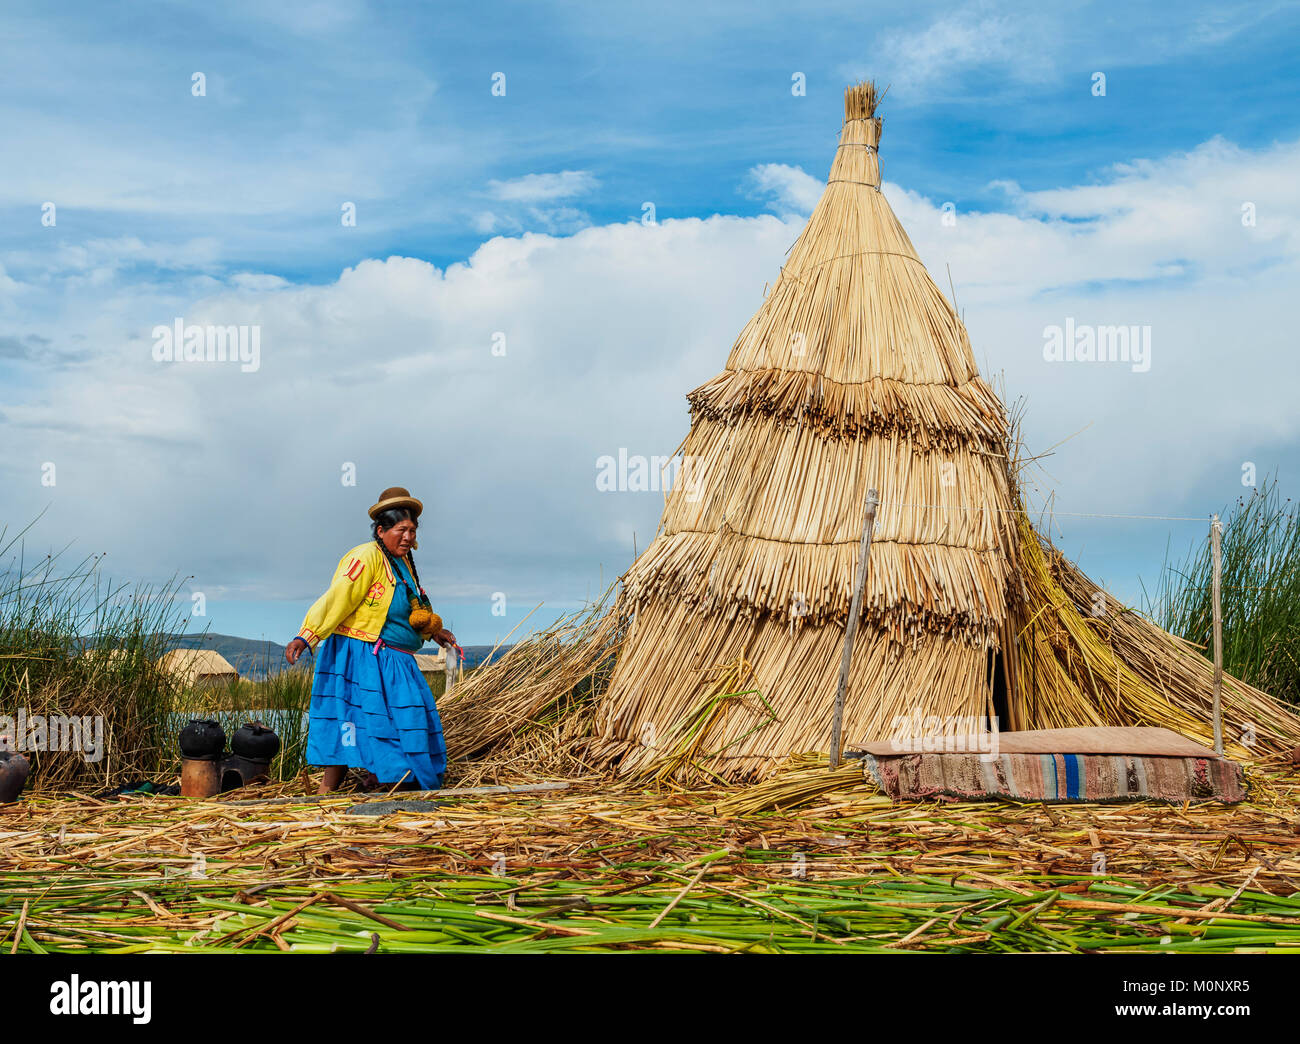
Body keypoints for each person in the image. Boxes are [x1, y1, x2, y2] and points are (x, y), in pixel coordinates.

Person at [284, 486, 456, 794]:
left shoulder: (402, 563)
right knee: (357, 721)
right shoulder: (366, 557)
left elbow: (408, 609)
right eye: (401, 530)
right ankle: (344, 790)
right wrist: (306, 635)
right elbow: (337, 599)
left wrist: (434, 632)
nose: (408, 537)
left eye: (412, 531)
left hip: (396, 660)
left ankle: (388, 782)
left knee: (406, 718)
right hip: (362, 656)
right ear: (381, 529)